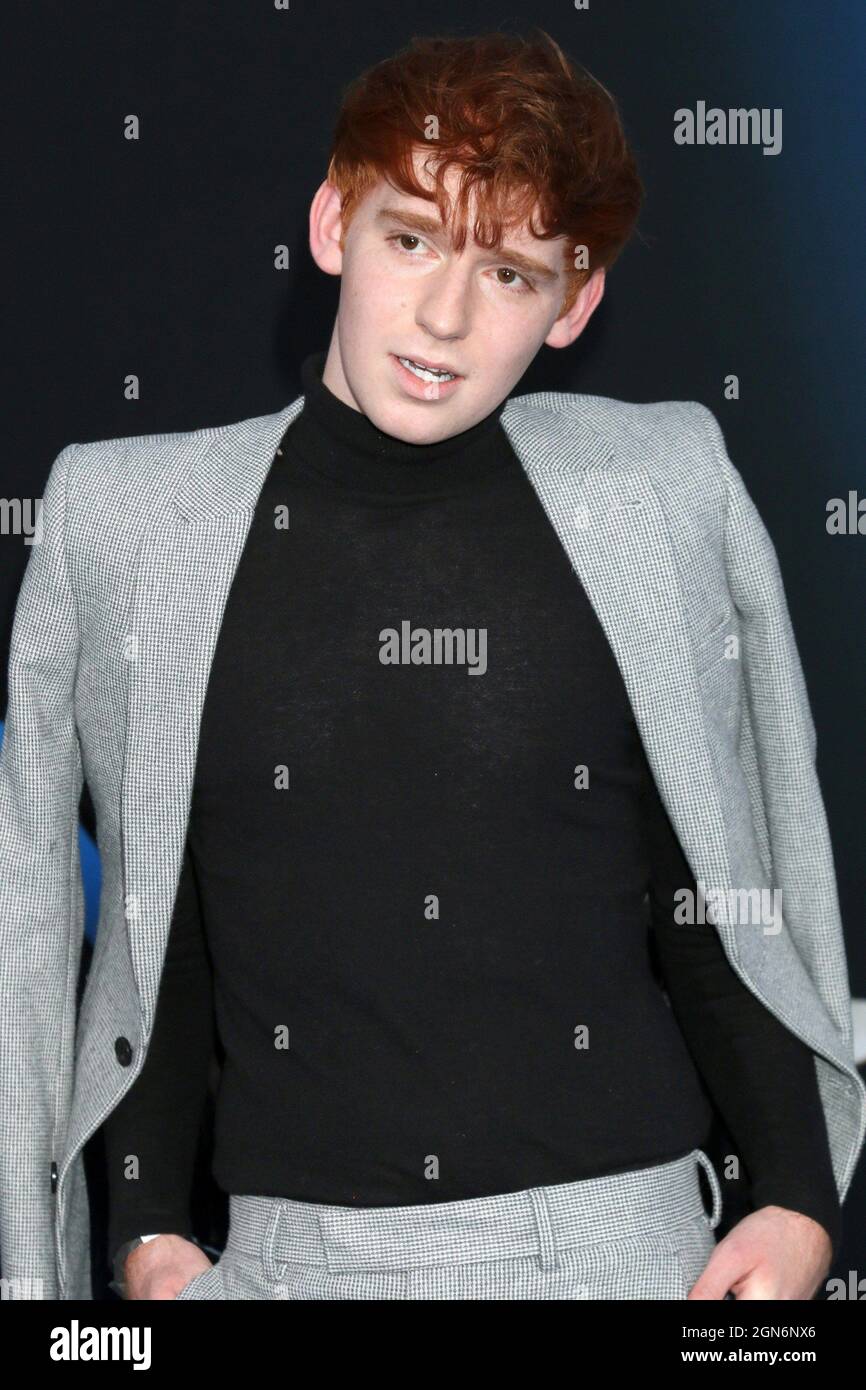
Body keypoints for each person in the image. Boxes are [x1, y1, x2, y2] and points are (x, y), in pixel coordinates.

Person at [1, 30, 863, 1303]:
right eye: (410, 238)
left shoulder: (663, 488)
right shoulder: (124, 518)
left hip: (626, 1254)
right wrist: (141, 1234)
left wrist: (796, 1198)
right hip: (279, 1260)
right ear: (332, 222)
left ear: (573, 305)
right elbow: (113, 926)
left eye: (510, 273)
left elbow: (726, 876)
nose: (447, 316)